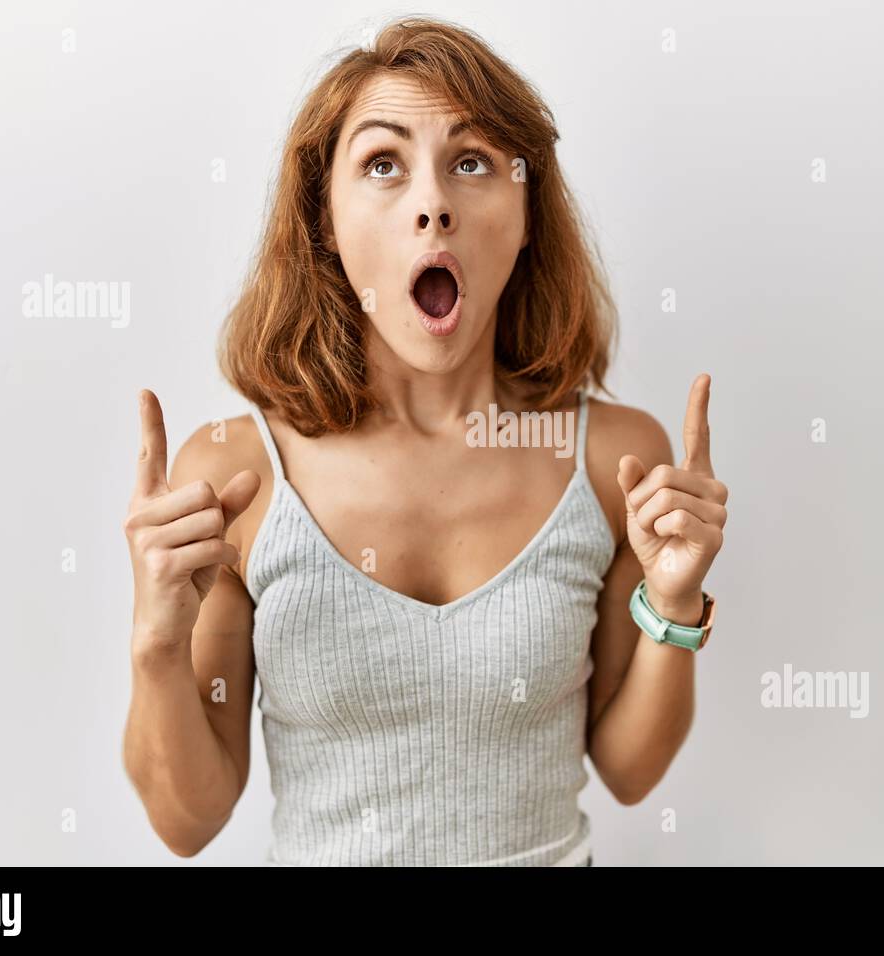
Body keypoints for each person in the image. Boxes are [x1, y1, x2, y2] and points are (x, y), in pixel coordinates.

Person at [122, 15, 727, 866]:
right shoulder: (236, 473)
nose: (433, 202)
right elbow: (189, 821)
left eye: (472, 162)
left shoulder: (612, 459)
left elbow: (629, 771)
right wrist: (155, 637)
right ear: (324, 220)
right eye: (382, 163)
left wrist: (673, 606)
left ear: (524, 216)